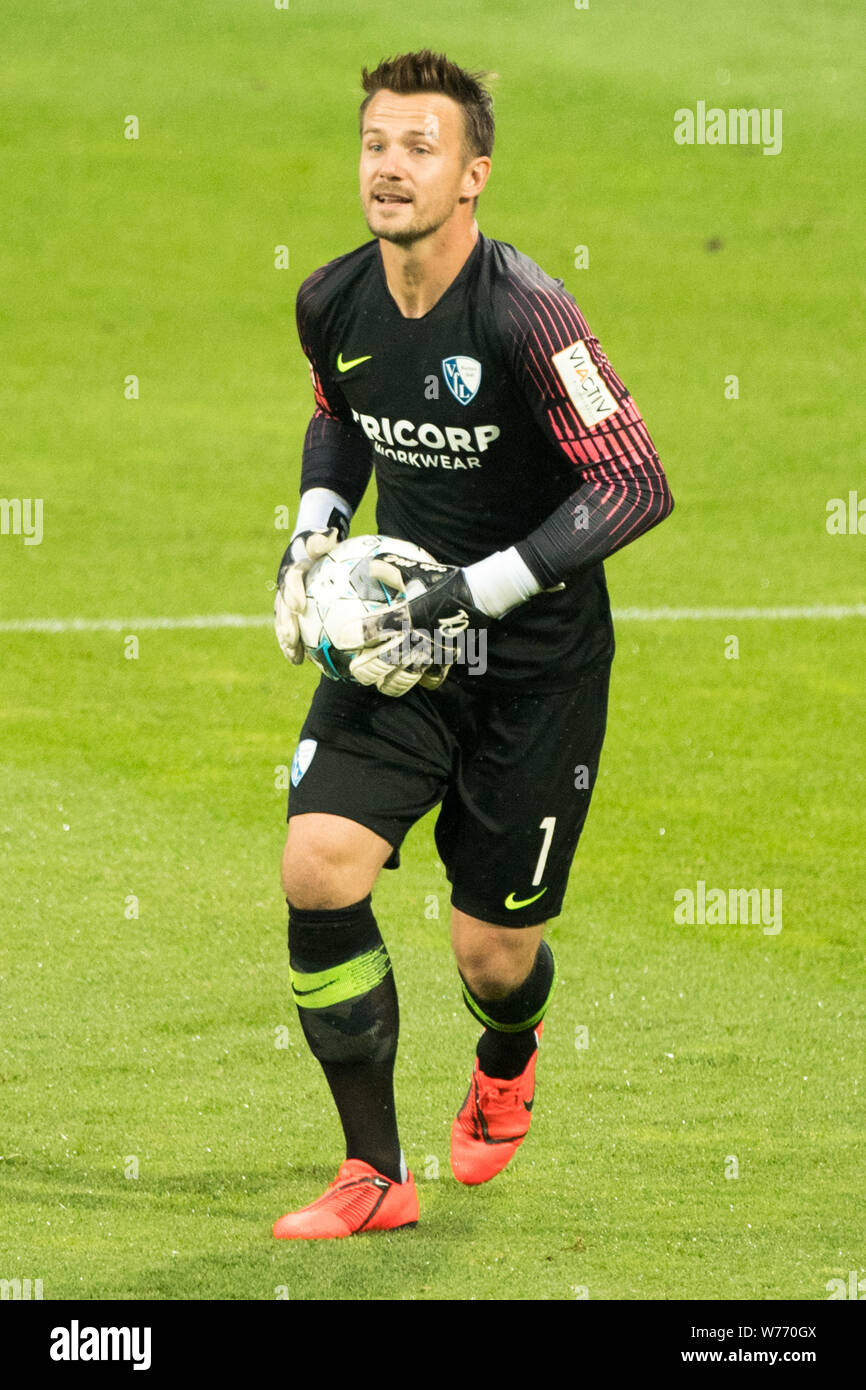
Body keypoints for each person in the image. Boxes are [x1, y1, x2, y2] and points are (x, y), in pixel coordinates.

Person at [271, 50, 673, 1239]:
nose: (389, 168)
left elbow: (635, 483)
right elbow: (338, 416)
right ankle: (373, 1172)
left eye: (419, 147)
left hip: (533, 666)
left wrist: (477, 592)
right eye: (374, 145)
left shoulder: (521, 310)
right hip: (399, 642)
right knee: (317, 867)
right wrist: (312, 534)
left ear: (473, 173)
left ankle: (508, 1049)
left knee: (494, 952)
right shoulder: (333, 299)